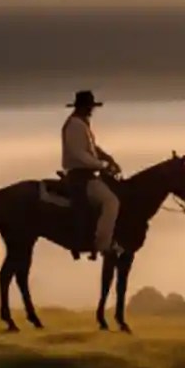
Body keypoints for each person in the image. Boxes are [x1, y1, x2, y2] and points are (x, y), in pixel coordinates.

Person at [61, 90, 123, 259]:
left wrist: (108, 158)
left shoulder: (80, 123)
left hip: (85, 172)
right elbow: (79, 154)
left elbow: (93, 149)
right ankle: (103, 243)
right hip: (80, 175)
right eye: (89, 107)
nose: (91, 111)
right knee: (111, 201)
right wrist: (102, 165)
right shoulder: (75, 125)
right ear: (83, 107)